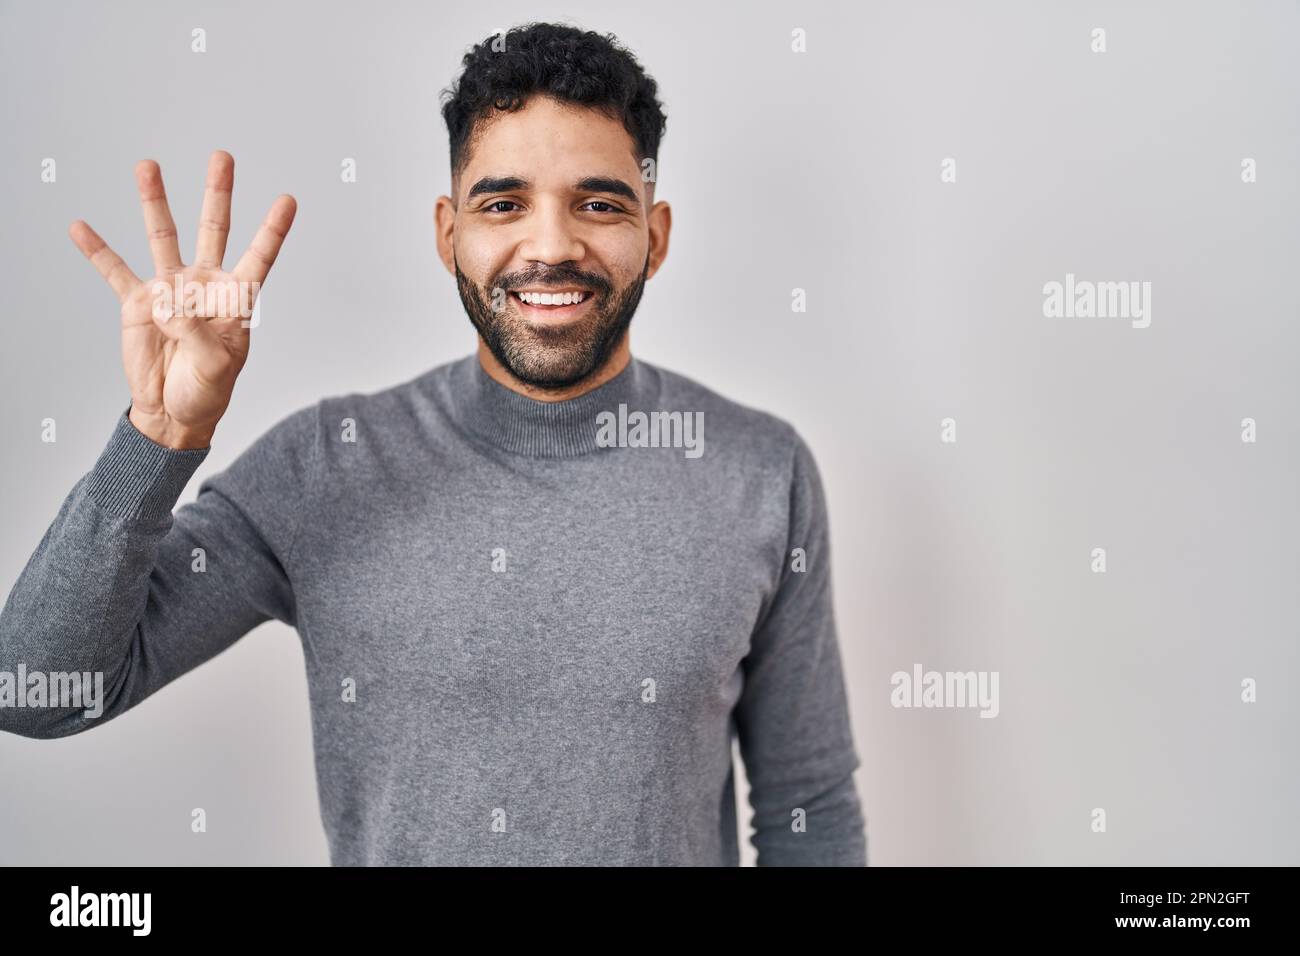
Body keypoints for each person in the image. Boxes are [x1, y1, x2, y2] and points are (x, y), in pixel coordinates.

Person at [0, 21, 866, 866]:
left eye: (599, 204)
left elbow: (809, 811)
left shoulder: (760, 472)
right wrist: (158, 437)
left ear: (657, 235)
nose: (552, 246)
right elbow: (34, 692)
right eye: (505, 204)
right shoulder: (325, 466)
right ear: (450, 233)